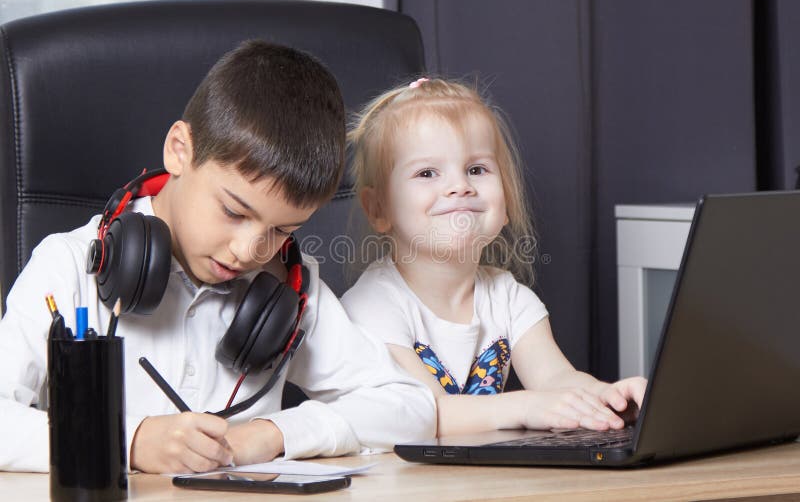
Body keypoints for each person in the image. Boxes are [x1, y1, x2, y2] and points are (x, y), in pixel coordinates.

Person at [0, 41, 435, 473]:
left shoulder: (288, 287)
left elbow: (410, 407)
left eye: (281, 230)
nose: (250, 251)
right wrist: (128, 441)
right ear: (179, 150)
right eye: (233, 211)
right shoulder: (67, 265)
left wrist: (274, 433)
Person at [341, 77, 646, 436]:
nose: (460, 186)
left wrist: (606, 398)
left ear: (505, 206)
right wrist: (525, 405)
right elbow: (423, 414)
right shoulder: (372, 305)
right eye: (427, 173)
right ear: (379, 209)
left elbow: (555, 378)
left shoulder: (509, 296)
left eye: (476, 169)